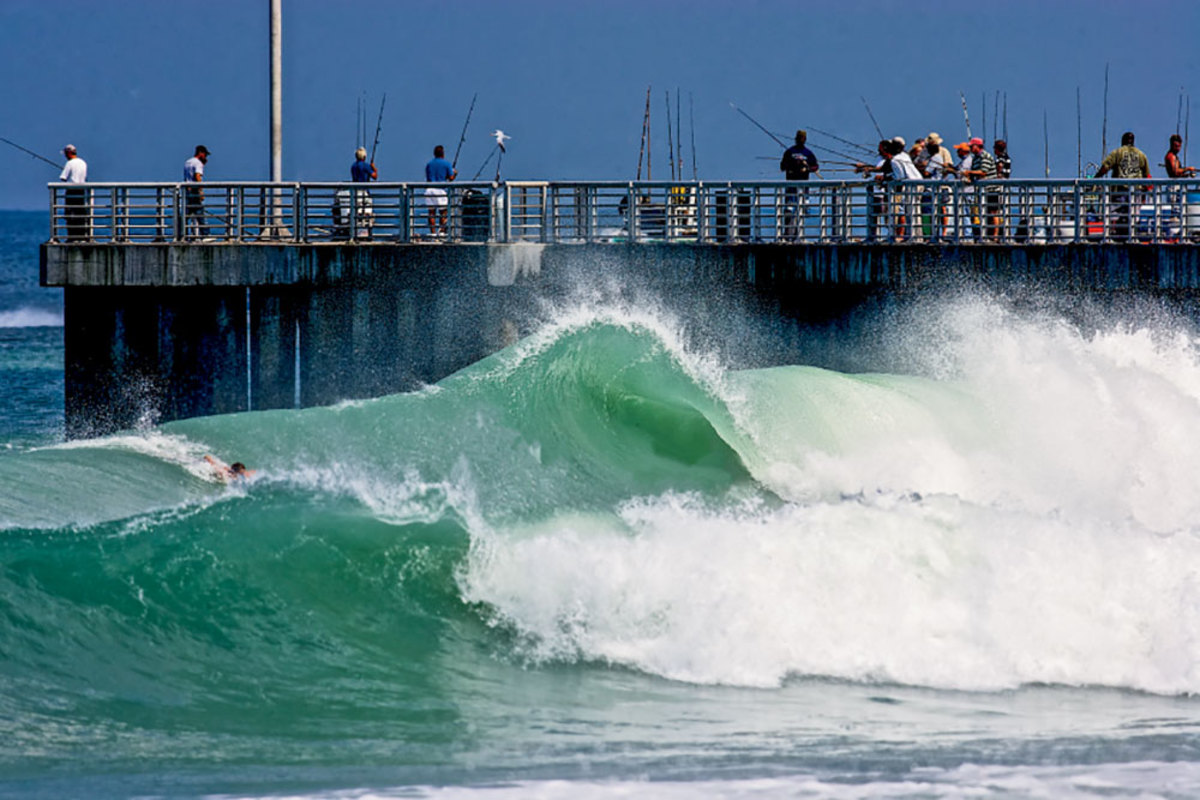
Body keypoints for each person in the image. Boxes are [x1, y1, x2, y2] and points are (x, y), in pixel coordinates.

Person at [1095, 131, 1150, 240]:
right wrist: (1144, 193)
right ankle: (1133, 236)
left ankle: (1117, 235)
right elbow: (1146, 176)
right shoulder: (1141, 155)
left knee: (1117, 215)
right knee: (1134, 217)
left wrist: (1096, 178)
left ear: (1123, 141)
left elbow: (1105, 167)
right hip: (1136, 191)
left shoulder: (1117, 153)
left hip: (1120, 189)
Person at [779, 129, 819, 241]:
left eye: (802, 138)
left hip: (803, 186)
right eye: (799, 137)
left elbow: (815, 167)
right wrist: (793, 166)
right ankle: (788, 234)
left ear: (805, 139)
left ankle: (798, 234)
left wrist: (806, 168)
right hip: (791, 185)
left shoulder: (808, 153)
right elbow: (782, 166)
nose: (800, 139)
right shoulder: (789, 152)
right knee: (789, 209)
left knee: (802, 209)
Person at [424, 144, 456, 236]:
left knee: (431, 212)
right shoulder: (446, 164)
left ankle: (433, 234)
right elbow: (451, 178)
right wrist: (455, 173)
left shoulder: (429, 164)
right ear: (443, 154)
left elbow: (429, 177)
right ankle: (441, 232)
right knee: (443, 212)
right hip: (440, 190)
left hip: (429, 189)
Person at [59, 144, 88, 241]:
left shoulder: (69, 163)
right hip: (81, 190)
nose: (65, 156)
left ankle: (71, 237)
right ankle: (82, 236)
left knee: (70, 214)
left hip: (71, 191)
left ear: (69, 153)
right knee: (80, 213)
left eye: (66, 154)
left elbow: (63, 178)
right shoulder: (83, 163)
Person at [183, 145, 210, 239]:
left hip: (187, 190)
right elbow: (197, 176)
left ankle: (182, 235)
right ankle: (205, 235)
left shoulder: (187, 162)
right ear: (201, 153)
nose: (206, 157)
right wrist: (201, 191)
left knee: (186, 215)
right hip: (194, 191)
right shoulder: (198, 163)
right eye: (205, 155)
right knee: (201, 214)